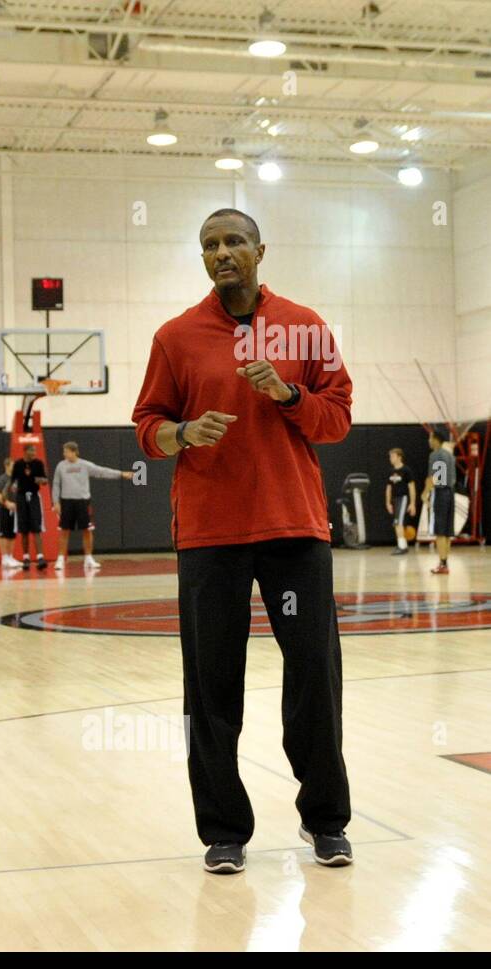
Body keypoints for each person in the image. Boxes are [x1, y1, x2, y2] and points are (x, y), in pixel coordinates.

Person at [132, 207, 354, 875]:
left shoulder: (307, 326)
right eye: (209, 244)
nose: (222, 252)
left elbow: (338, 419)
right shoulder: (175, 336)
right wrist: (182, 434)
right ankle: (224, 830)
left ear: (261, 249)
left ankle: (327, 821)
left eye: (234, 241)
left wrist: (289, 394)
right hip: (210, 536)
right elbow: (148, 423)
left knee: (315, 681)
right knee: (210, 687)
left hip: (294, 528)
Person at [52, 440, 132, 571]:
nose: (64, 454)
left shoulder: (84, 465)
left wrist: (121, 474)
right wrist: (56, 502)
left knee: (87, 530)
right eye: (64, 451)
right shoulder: (61, 466)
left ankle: (88, 558)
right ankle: (60, 559)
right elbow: (56, 484)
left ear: (74, 452)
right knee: (64, 531)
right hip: (67, 502)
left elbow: (102, 471)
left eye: (66, 451)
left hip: (83, 502)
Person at [423, 430, 458, 574]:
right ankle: (445, 562)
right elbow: (453, 478)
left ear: (436, 440)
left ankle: (442, 564)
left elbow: (436, 478)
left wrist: (425, 493)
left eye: (430, 438)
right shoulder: (449, 455)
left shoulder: (435, 454)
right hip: (451, 492)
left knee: (439, 531)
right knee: (447, 531)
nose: (429, 441)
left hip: (441, 493)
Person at [9, 443, 49, 570]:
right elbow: (13, 480)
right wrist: (14, 486)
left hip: (33, 497)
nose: (34, 453)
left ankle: (40, 557)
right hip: (21, 497)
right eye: (32, 451)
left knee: (36, 527)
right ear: (25, 451)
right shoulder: (18, 464)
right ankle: (26, 558)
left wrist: (40, 481)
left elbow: (45, 480)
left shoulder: (38, 464)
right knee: (24, 528)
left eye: (35, 451)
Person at [385, 447, 417, 556]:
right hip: (394, 499)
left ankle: (402, 547)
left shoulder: (406, 470)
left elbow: (411, 487)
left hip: (403, 498)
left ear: (399, 457)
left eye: (393, 456)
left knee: (398, 522)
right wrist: (388, 502)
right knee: (396, 523)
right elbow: (388, 488)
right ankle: (401, 545)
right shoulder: (391, 471)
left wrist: (412, 503)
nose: (391, 458)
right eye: (390, 456)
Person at [0, 456, 20, 568]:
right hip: (2, 509)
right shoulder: (2, 479)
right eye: (13, 466)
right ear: (7, 466)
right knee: (3, 533)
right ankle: (4, 558)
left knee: (12, 533)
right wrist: (7, 503)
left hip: (13, 510)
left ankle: (10, 556)